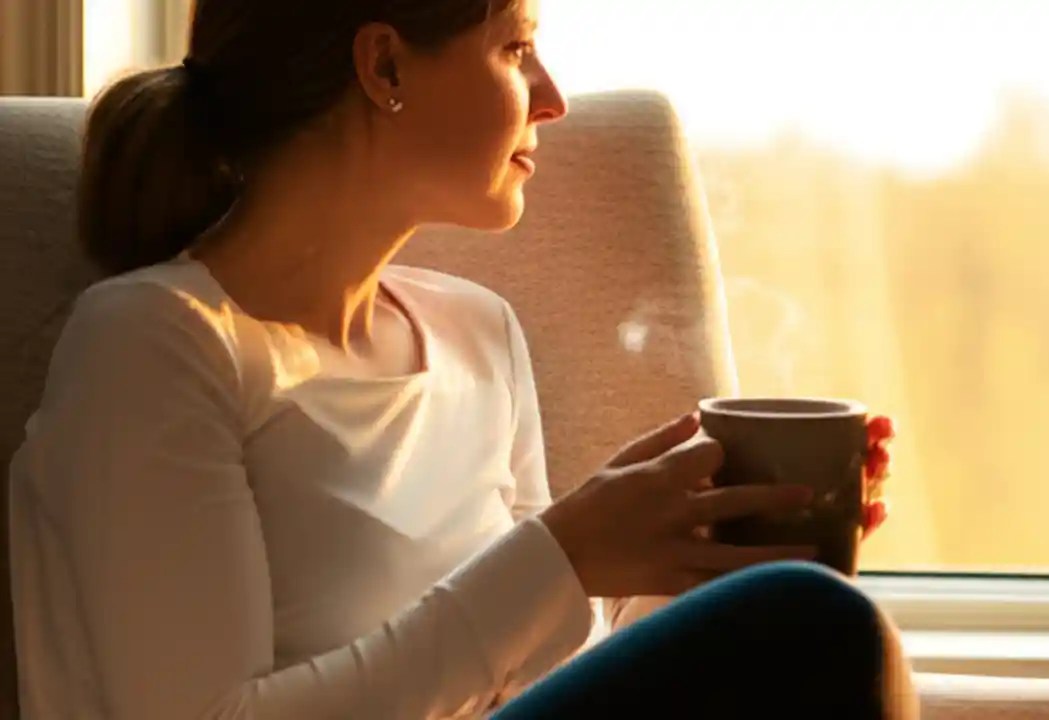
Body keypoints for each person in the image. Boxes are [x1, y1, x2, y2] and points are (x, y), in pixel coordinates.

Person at [7, 0, 917, 717]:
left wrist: (690, 564)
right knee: (813, 625)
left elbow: (532, 674)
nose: (552, 97)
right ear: (385, 67)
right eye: (516, 48)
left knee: (795, 622)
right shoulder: (155, 340)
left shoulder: (479, 333)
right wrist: (562, 555)